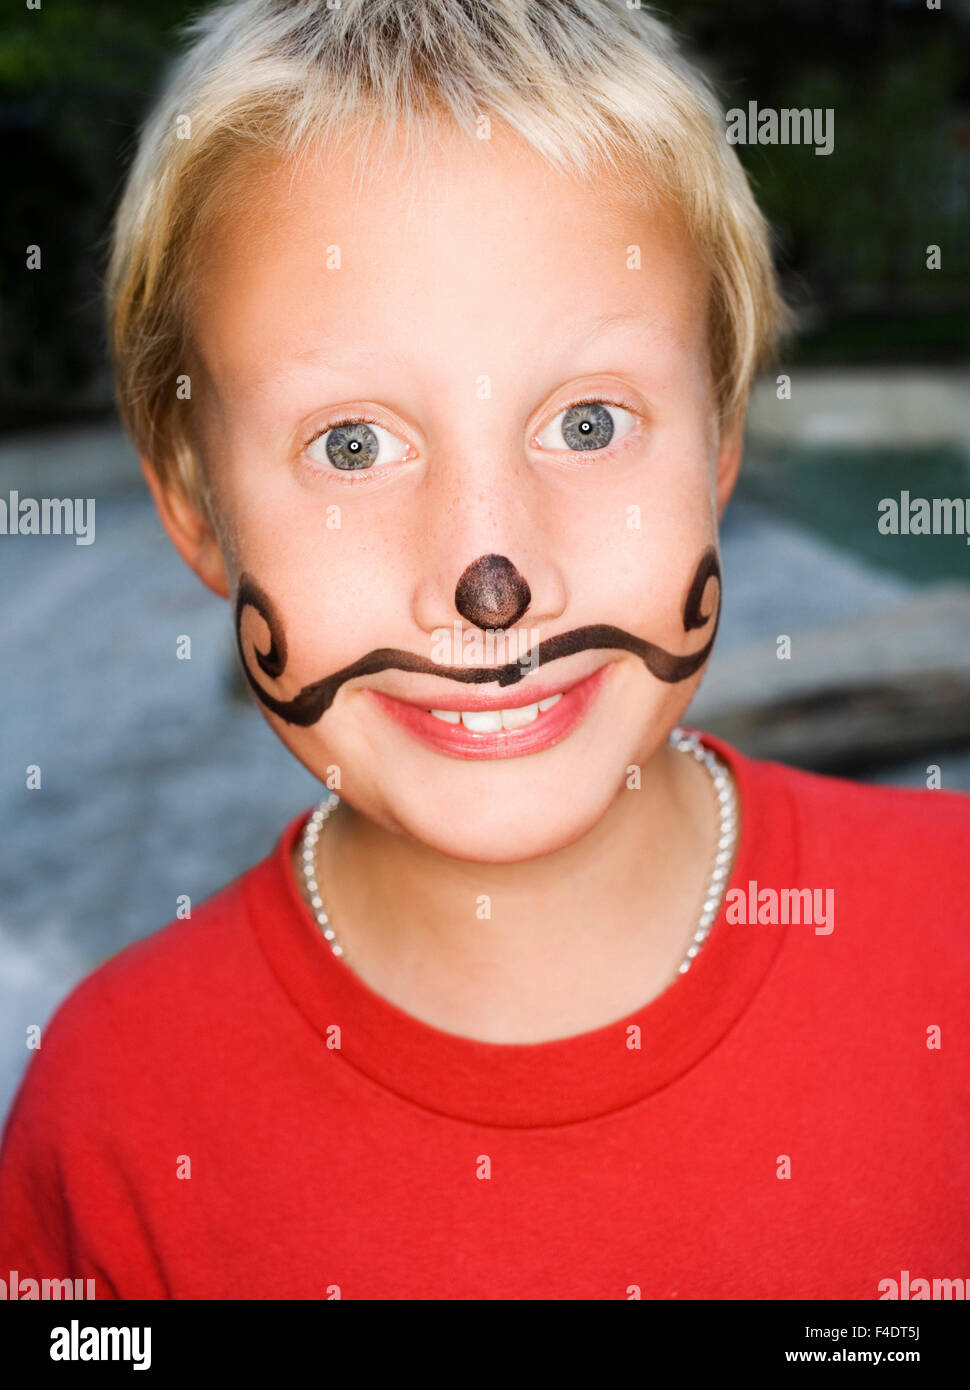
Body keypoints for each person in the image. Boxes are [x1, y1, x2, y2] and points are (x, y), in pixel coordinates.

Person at [1, 0, 967, 1300]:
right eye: (350, 445)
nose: (489, 576)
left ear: (719, 444)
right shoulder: (107, 1108)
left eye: (585, 423)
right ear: (195, 508)